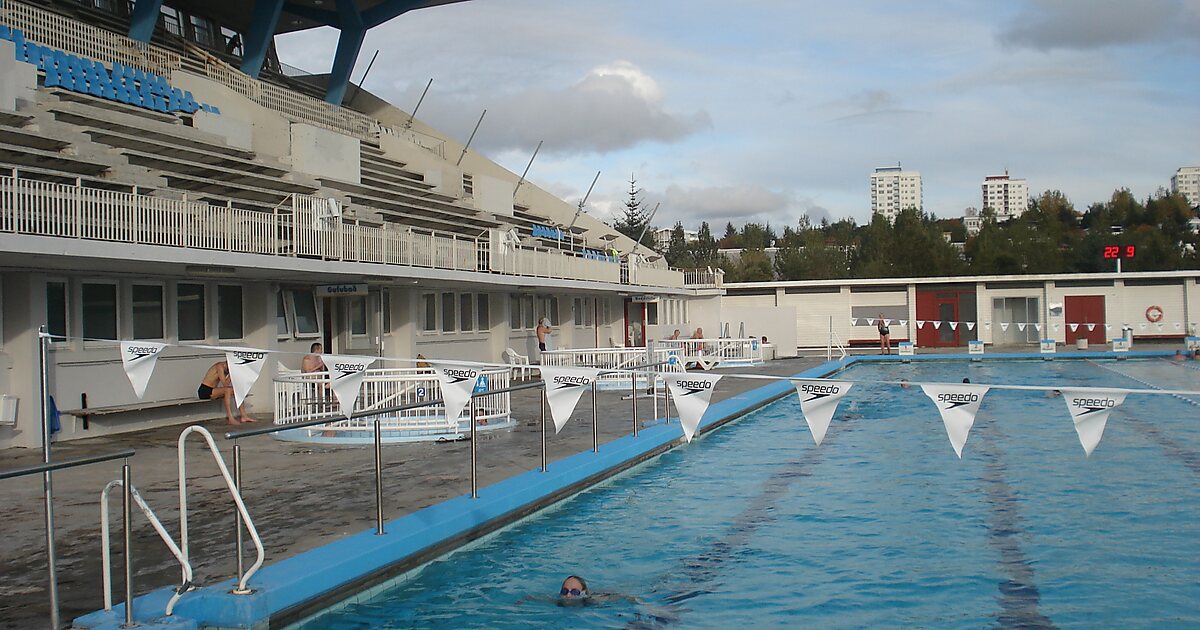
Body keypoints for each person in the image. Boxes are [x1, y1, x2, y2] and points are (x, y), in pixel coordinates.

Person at [199, 361, 253, 425]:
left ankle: (244, 416)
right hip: (205, 390)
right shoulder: (219, 367)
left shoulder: (226, 369)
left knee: (237, 390)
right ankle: (230, 418)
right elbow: (225, 384)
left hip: (213, 390)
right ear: (226, 364)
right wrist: (231, 374)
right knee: (227, 390)